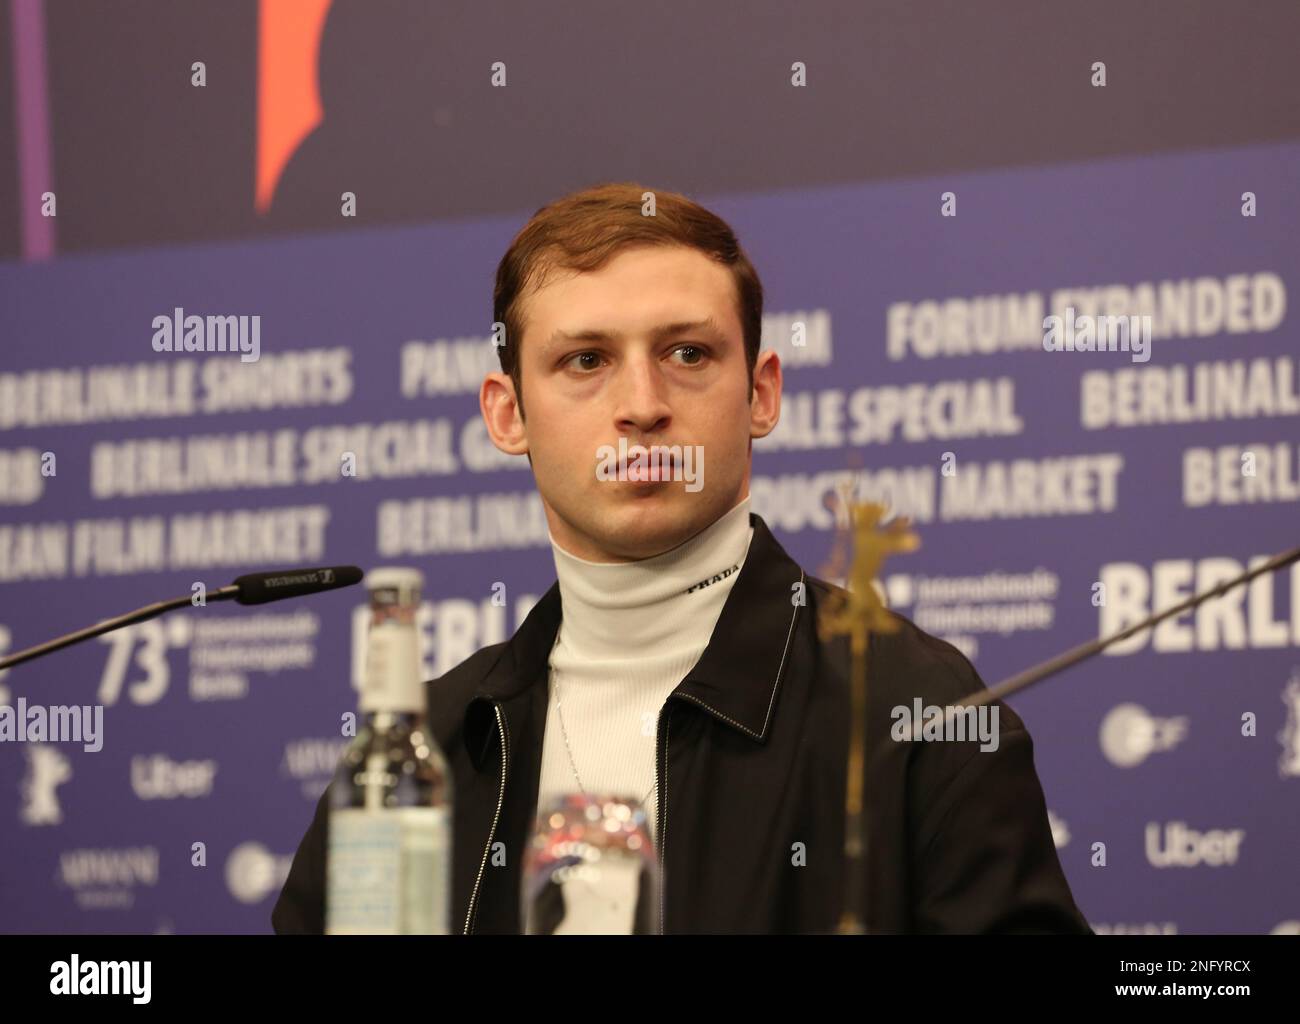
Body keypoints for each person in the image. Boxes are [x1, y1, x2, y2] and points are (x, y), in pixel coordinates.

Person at [272, 181, 1091, 934]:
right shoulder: (422, 762)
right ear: (508, 413)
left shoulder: (918, 712)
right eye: (585, 361)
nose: (642, 407)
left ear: (761, 393)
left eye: (688, 353)